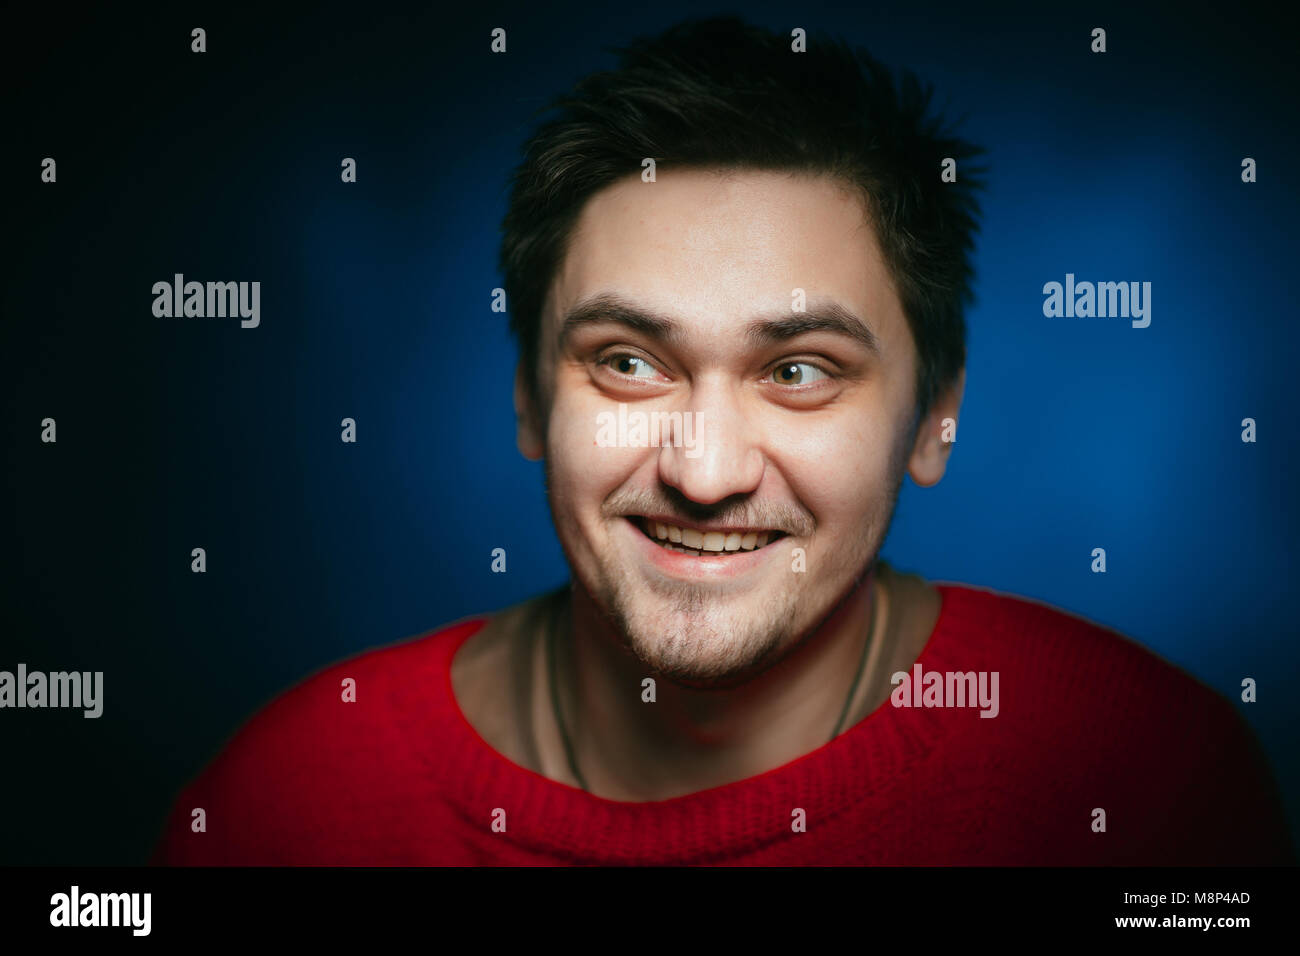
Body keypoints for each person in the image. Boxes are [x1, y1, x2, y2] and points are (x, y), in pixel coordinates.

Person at [151, 17, 1292, 865]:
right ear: (527, 400)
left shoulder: (1143, 773)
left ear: (933, 418)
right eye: (627, 362)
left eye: (798, 372)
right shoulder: (290, 803)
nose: (703, 473)